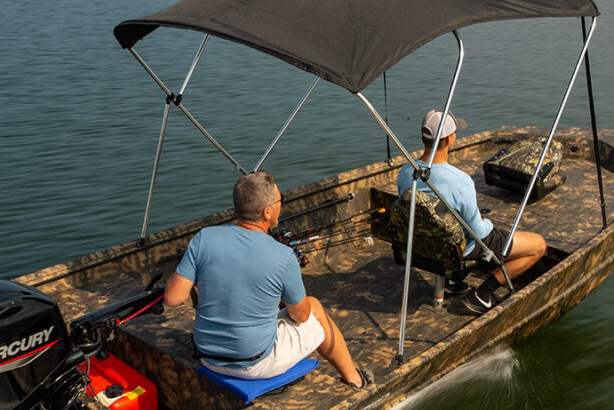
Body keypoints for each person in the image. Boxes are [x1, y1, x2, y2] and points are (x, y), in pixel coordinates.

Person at [163, 171, 372, 389]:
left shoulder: (203, 237)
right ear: (267, 212)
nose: (281, 205)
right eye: (280, 200)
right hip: (254, 364)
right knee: (315, 308)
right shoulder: (283, 256)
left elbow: (173, 298)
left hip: (208, 356)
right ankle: (355, 380)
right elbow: (300, 316)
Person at [397, 109, 547, 314]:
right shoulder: (461, 181)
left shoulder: (405, 172)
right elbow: (481, 234)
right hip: (457, 250)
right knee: (538, 245)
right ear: (450, 138)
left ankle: (451, 281)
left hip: (421, 244)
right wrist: (487, 222)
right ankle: (483, 294)